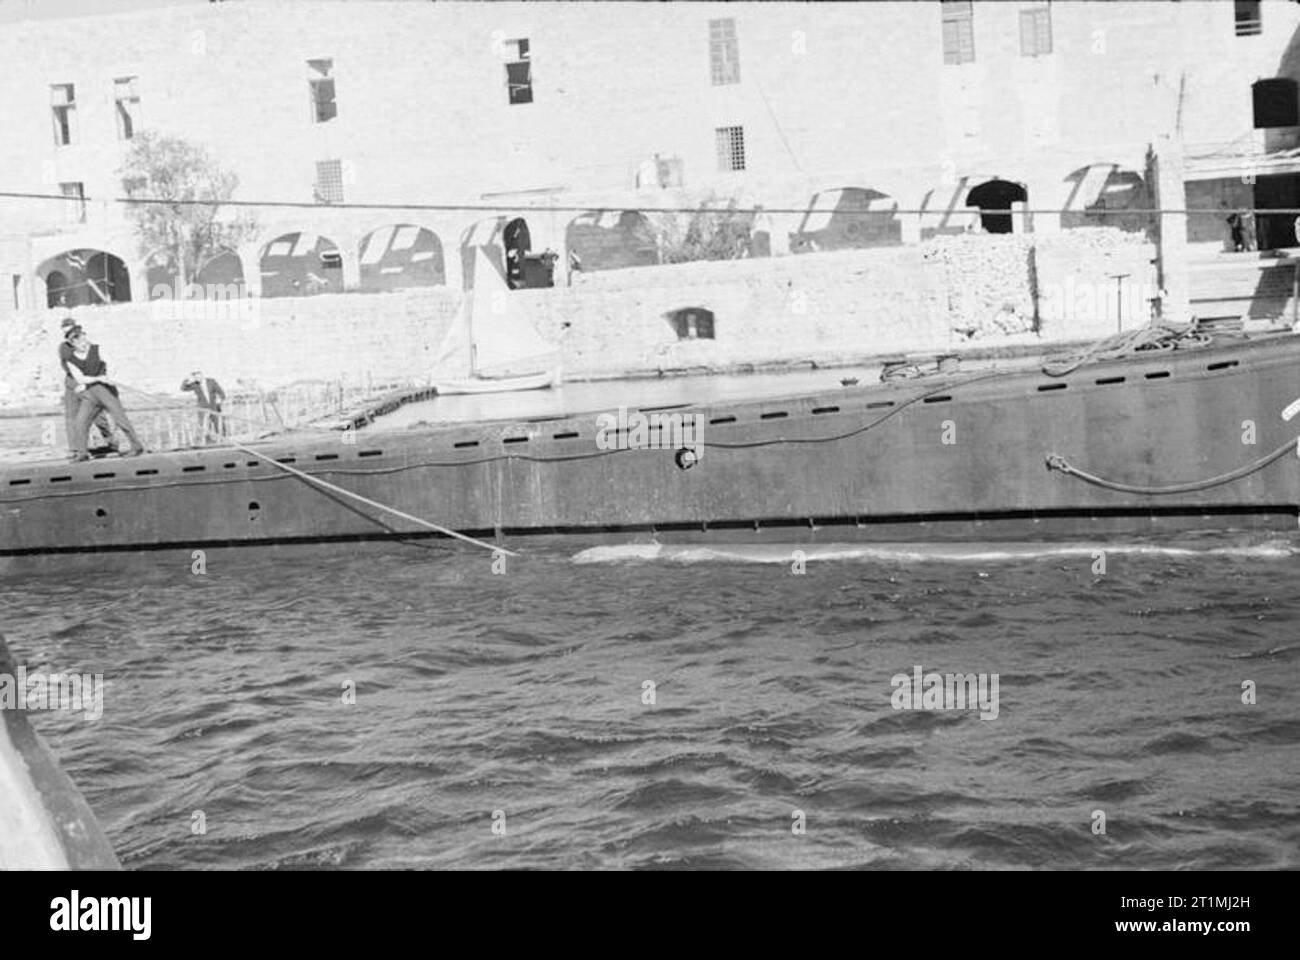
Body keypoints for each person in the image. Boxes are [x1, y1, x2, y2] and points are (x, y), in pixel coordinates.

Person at [63, 325, 145, 461]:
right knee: (80, 421)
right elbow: (80, 378)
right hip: (91, 393)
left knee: (120, 418)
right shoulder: (71, 360)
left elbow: (113, 363)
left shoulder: (98, 349)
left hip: (106, 390)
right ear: (72, 343)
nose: (81, 340)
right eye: (76, 339)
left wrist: (111, 377)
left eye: (81, 335)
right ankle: (82, 453)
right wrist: (97, 378)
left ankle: (137, 446)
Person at [57, 317, 116, 457]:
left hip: (90, 381)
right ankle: (76, 449)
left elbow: (98, 362)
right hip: (74, 381)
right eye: (67, 332)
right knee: (72, 415)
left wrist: (101, 377)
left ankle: (111, 443)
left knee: (97, 414)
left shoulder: (89, 344)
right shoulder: (64, 347)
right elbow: (70, 362)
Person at [180, 370, 227, 443]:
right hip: (202, 407)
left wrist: (220, 400)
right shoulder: (195, 384)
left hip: (214, 406)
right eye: (195, 377)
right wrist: (186, 381)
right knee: (204, 425)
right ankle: (207, 441)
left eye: (198, 376)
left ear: (202, 375)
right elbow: (183, 389)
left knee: (218, 423)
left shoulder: (211, 382)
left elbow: (221, 392)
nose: (197, 379)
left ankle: (223, 440)